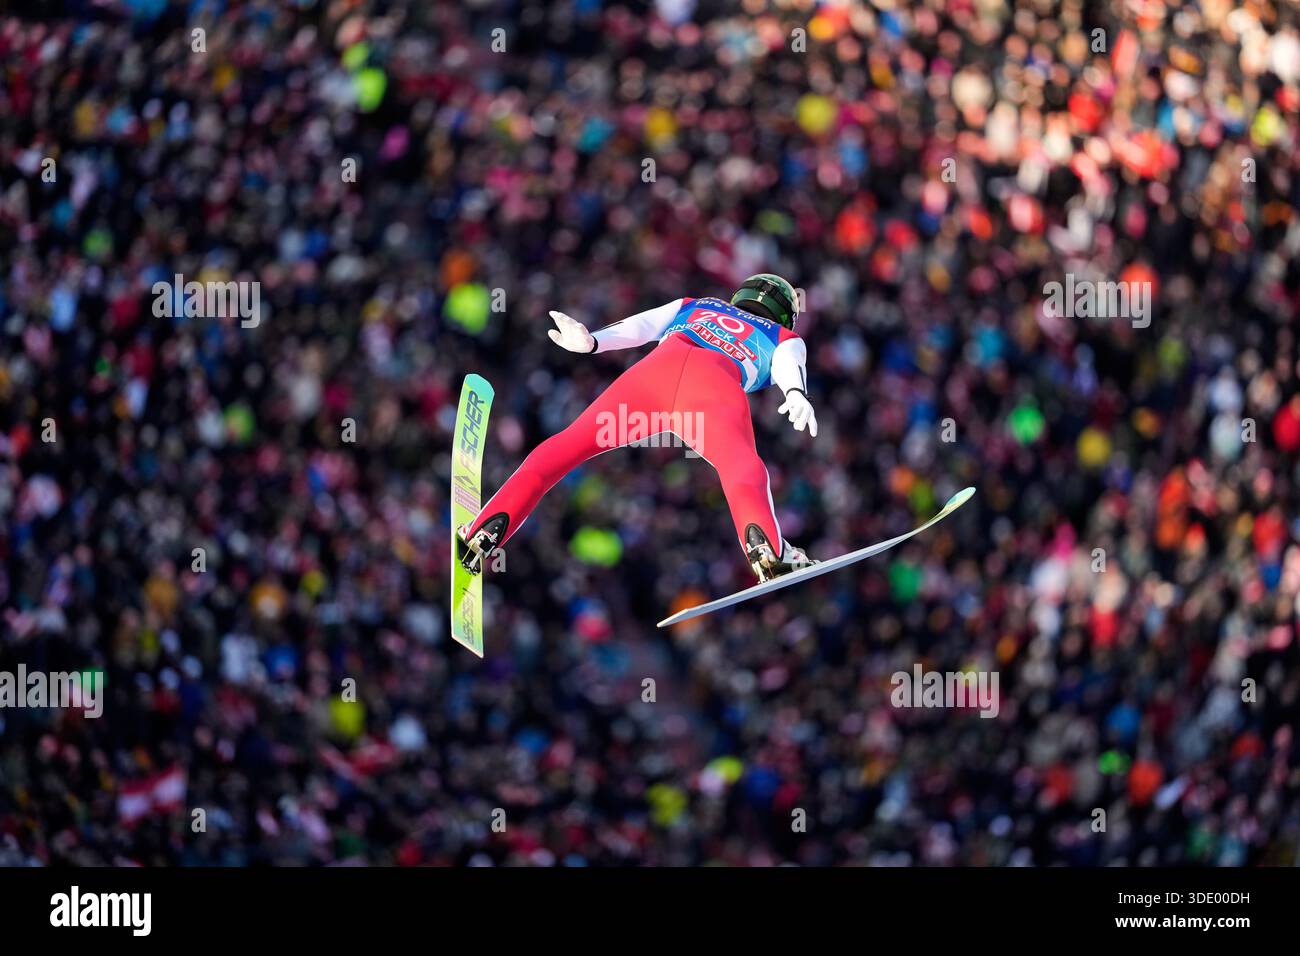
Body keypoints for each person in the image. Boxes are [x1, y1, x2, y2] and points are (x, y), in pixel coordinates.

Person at [457, 274, 820, 583]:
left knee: (568, 446)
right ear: (785, 315)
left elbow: (643, 326)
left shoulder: (700, 303)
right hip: (711, 393)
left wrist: (593, 341)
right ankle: (767, 549)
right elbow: (790, 364)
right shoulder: (784, 337)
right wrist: (795, 393)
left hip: (652, 379)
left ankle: (486, 528)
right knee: (741, 467)